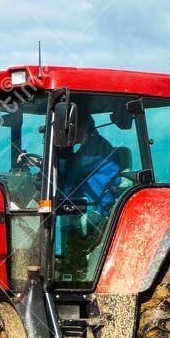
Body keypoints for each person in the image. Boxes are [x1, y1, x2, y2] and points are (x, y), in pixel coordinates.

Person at [55, 110, 125, 278]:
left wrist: (60, 156)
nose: (64, 133)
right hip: (81, 205)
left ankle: (58, 267)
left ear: (81, 126)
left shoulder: (96, 152)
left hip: (95, 209)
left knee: (53, 221)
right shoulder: (85, 151)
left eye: (66, 128)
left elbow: (70, 178)